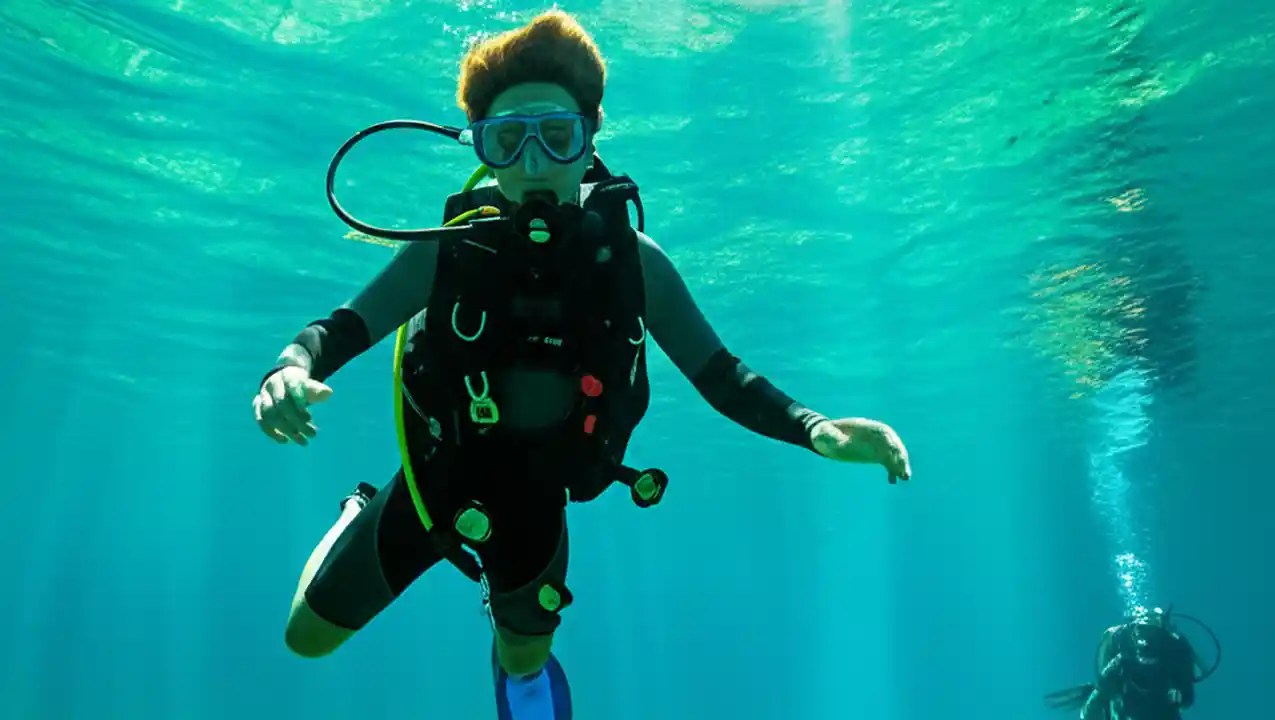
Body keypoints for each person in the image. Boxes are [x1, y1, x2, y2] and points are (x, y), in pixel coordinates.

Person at [252, 9, 912, 719]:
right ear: (482, 148)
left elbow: (721, 376)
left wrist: (820, 431)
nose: (534, 165)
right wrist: (285, 370)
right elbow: (337, 331)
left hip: (539, 497)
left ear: (589, 134)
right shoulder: (447, 252)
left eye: (556, 138)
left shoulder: (634, 265)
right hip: (435, 476)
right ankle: (356, 510)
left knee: (522, 659)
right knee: (305, 640)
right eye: (508, 141)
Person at [1045, 607, 1209, 720]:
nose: (1146, 645)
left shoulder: (1173, 653)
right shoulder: (1121, 663)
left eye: (1152, 637)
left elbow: (1187, 698)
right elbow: (1187, 700)